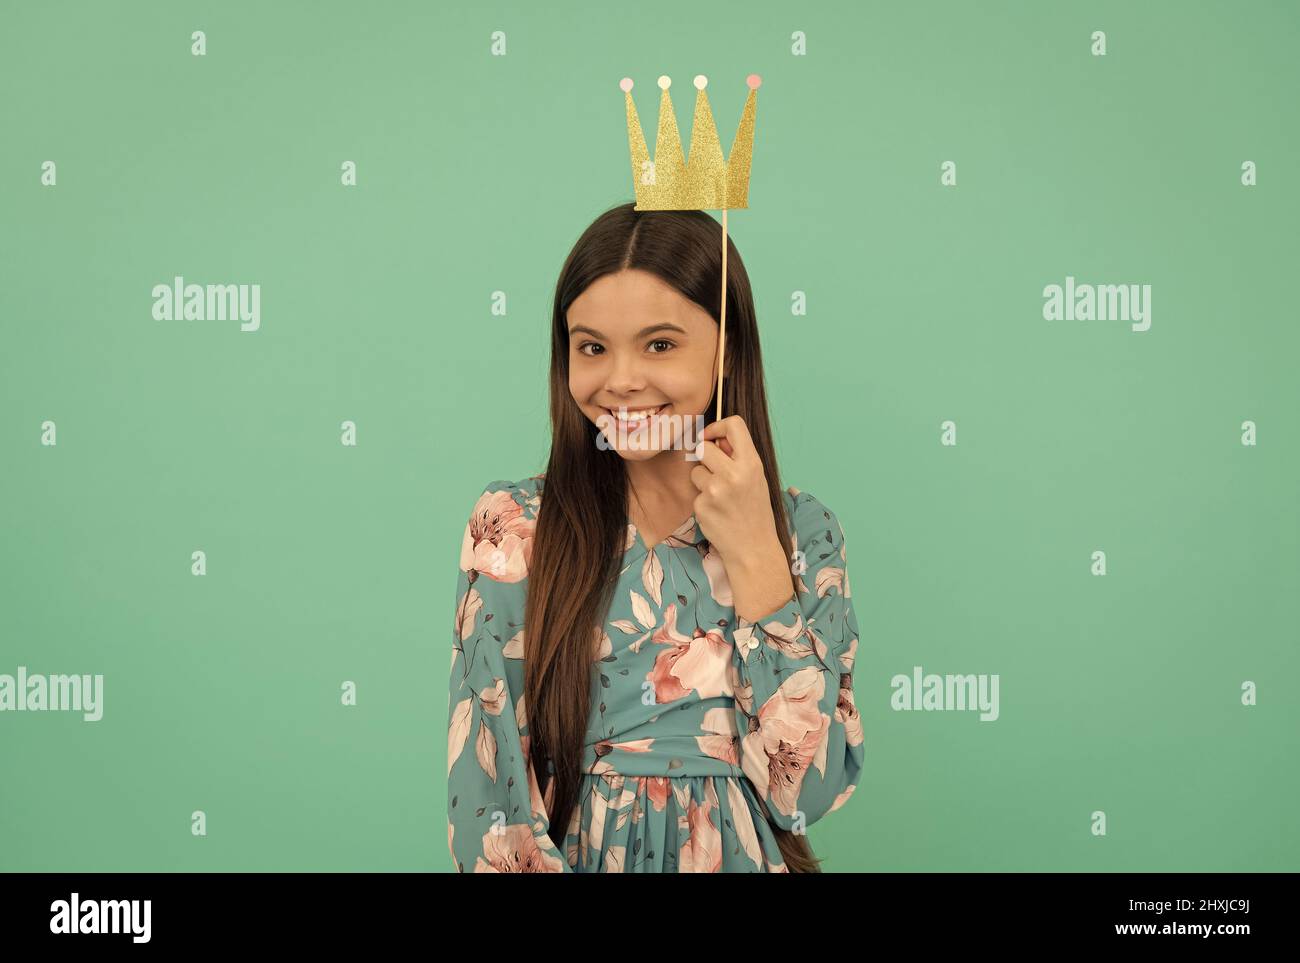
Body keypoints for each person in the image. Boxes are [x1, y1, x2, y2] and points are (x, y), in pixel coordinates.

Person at [447, 202, 864, 872]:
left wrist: (755, 552)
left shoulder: (803, 533)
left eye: (660, 344)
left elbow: (804, 796)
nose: (621, 380)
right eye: (592, 347)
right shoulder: (514, 528)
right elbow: (489, 808)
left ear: (726, 346)